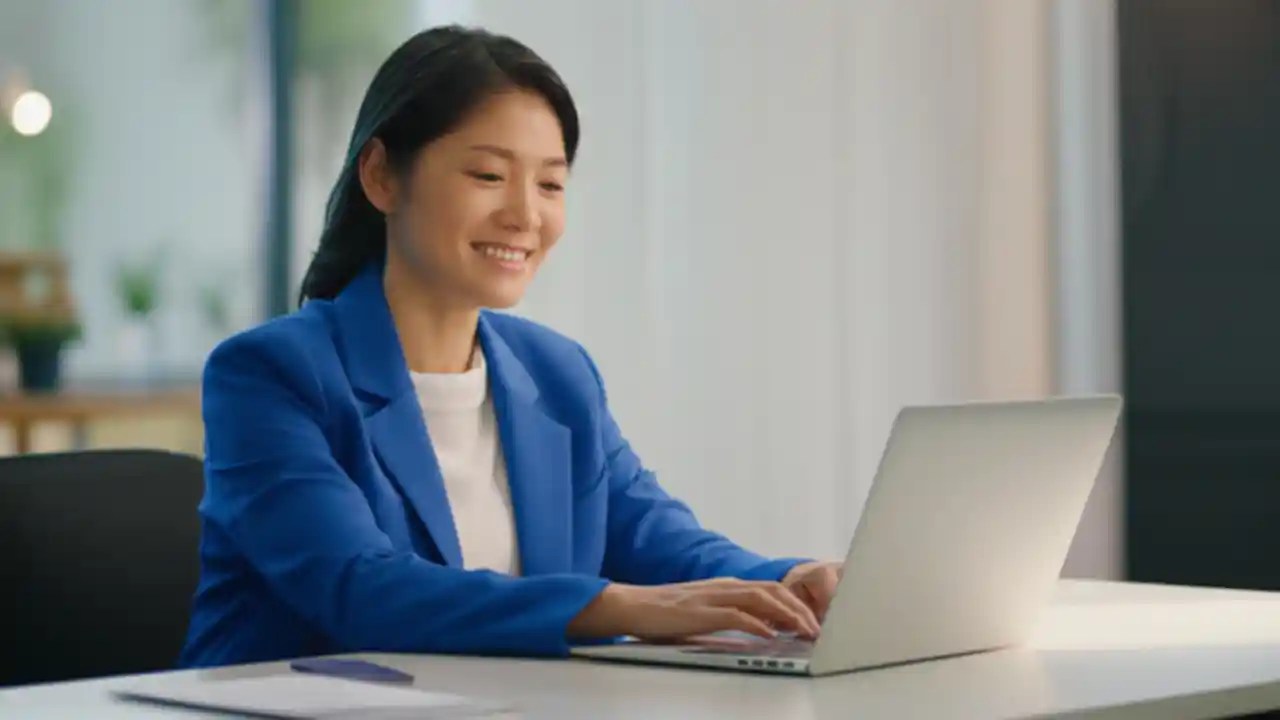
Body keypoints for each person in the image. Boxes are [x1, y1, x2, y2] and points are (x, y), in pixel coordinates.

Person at [179, 25, 841, 668]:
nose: (526, 215)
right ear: (381, 176)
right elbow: (361, 589)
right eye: (489, 175)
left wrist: (792, 581)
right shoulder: (270, 374)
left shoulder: (556, 374)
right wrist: (615, 608)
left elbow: (662, 545)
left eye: (551, 184)